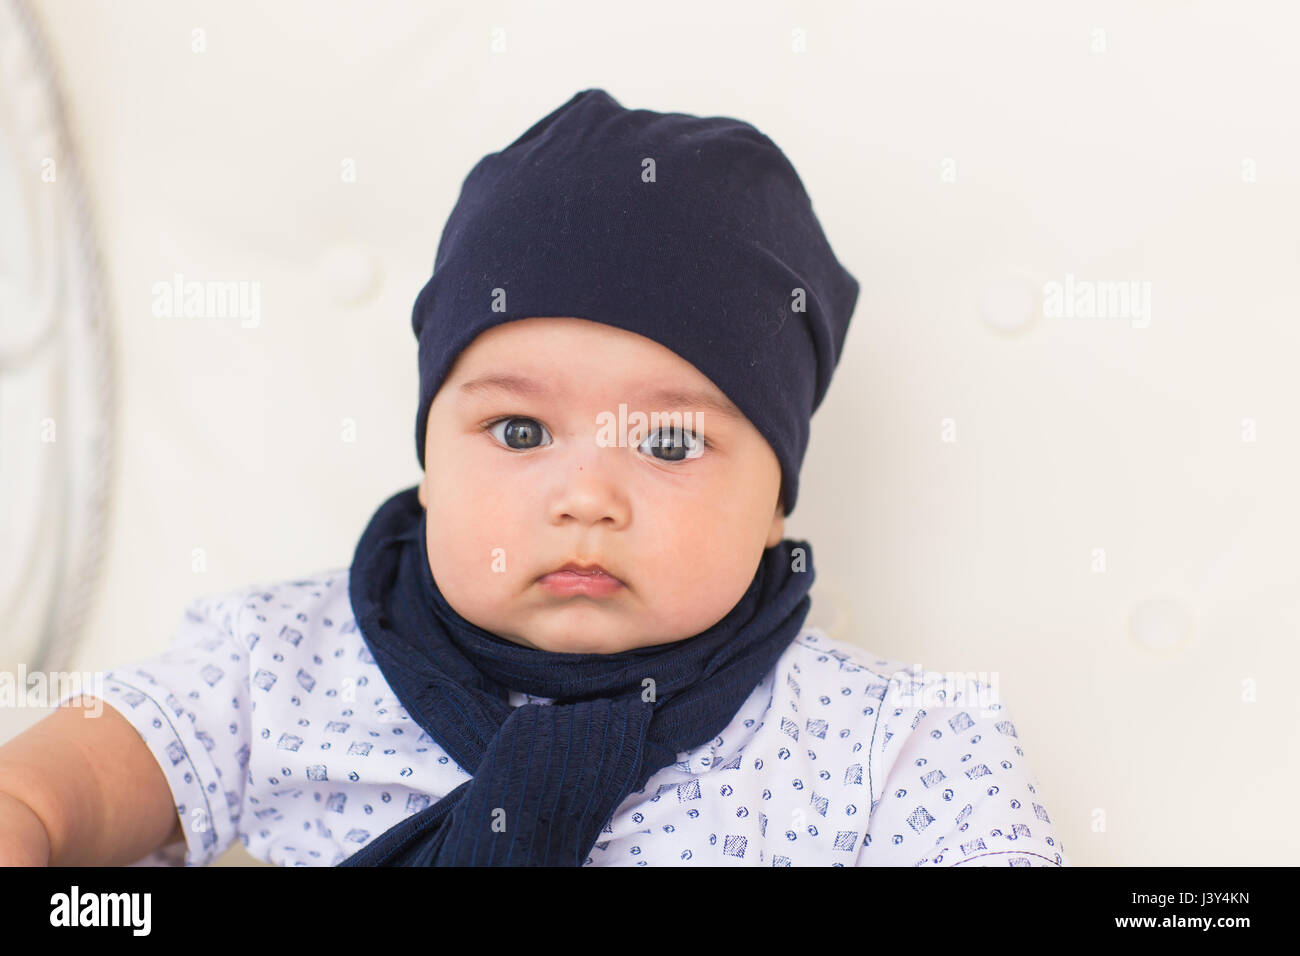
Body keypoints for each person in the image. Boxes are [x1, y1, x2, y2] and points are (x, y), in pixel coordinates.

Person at [0, 88, 1068, 867]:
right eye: (518, 430)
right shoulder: (270, 667)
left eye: (666, 443)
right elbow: (37, 801)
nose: (584, 497)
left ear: (775, 498)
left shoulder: (894, 747)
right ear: (429, 458)